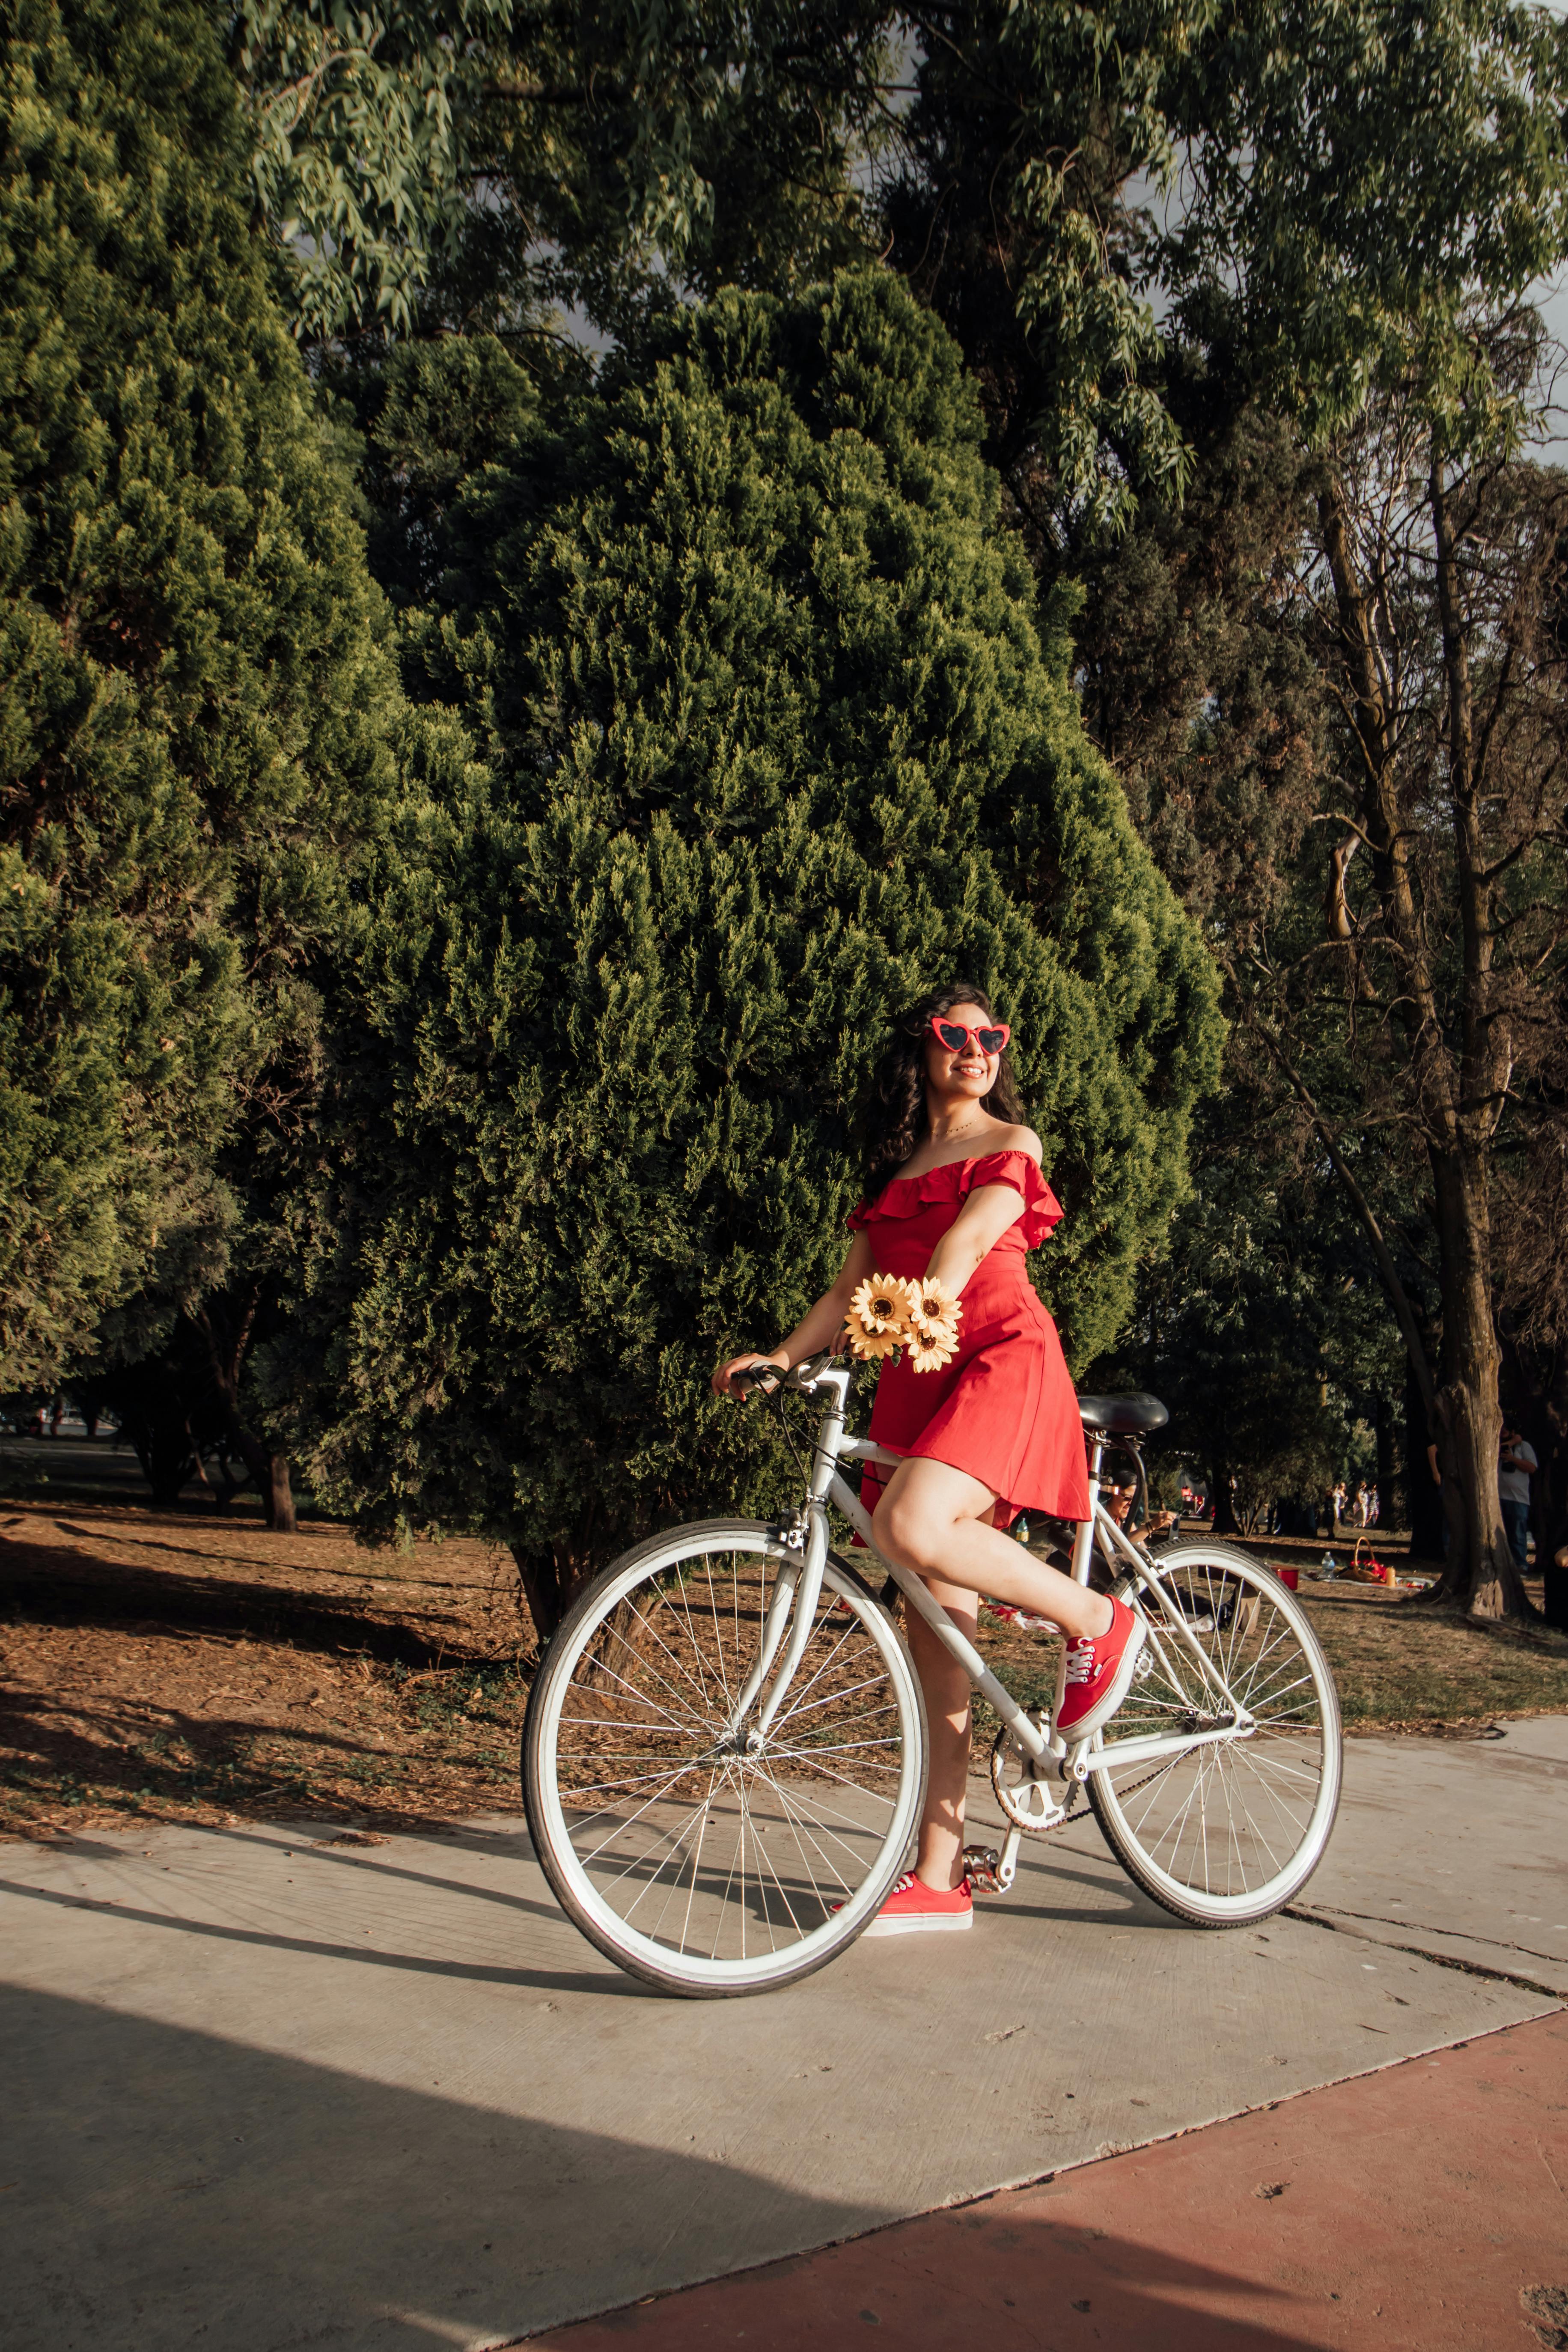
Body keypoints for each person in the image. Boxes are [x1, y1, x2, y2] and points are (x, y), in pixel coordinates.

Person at [713, 984, 1143, 1937]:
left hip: (996, 1355)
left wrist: (927, 1299)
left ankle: (1097, 1619)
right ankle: (940, 1876)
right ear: (920, 1047)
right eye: (955, 1034)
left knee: (911, 1523)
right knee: (937, 1641)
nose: (977, 1048)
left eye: (991, 1035)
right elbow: (849, 1287)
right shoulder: (895, 1167)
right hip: (917, 1371)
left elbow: (965, 1239)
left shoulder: (1010, 1143)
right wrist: (782, 1358)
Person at [1499, 1427, 1538, 1571]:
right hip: (1498, 1498)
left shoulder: (1523, 1446)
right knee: (1499, 1535)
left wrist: (1512, 1459)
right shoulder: (1497, 1445)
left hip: (1518, 1499)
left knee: (1517, 1534)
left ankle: (1521, 1565)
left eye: (1506, 1430)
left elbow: (1532, 1468)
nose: (1503, 1432)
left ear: (1514, 1431)